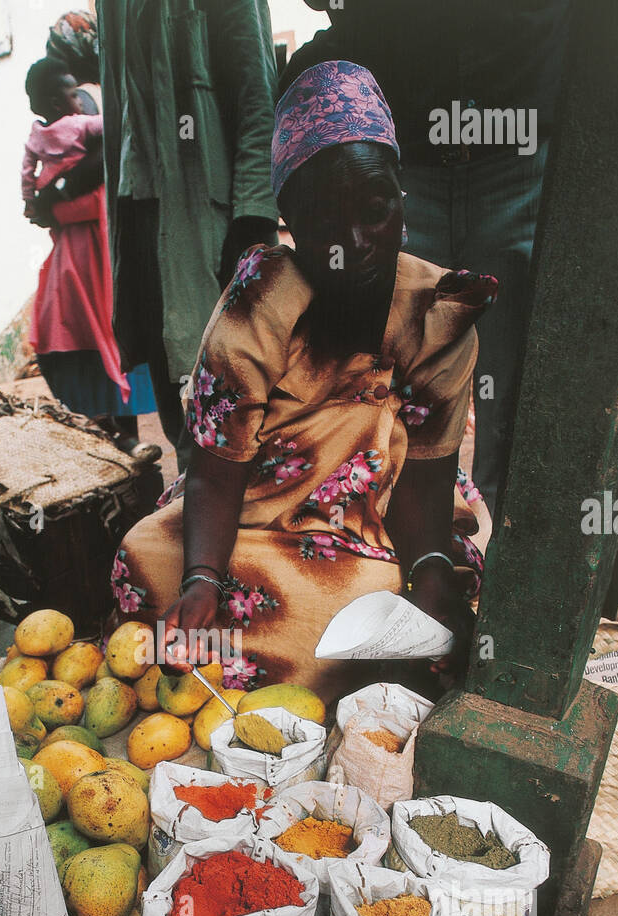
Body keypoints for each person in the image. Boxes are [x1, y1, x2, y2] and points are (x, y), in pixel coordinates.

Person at [112, 60, 498, 705]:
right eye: (325, 222)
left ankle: (262, 666)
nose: (357, 242)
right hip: (254, 507)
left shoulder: (439, 315)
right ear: (289, 217)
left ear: (401, 198)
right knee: (145, 557)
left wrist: (430, 570)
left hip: (384, 514)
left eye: (375, 212)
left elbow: (429, 476)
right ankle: (317, 671)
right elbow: (214, 470)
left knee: (371, 599)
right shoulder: (257, 306)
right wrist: (203, 577)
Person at [285, 0, 571, 518]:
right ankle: (397, 557)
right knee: (379, 390)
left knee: (522, 400)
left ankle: (504, 562)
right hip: (402, 159)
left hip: (519, 154)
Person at [96, 0, 280, 460]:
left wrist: (252, 218)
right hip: (140, 217)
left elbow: (258, 92)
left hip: (210, 215)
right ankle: (196, 517)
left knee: (242, 409)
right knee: (182, 409)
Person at [22, 57, 157, 456]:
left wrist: (54, 195)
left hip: (101, 257)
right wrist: (46, 198)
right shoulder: (48, 133)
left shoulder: (93, 109)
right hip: (75, 262)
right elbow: (40, 198)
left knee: (112, 336)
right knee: (66, 333)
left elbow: (103, 163)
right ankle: (102, 430)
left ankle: (124, 433)